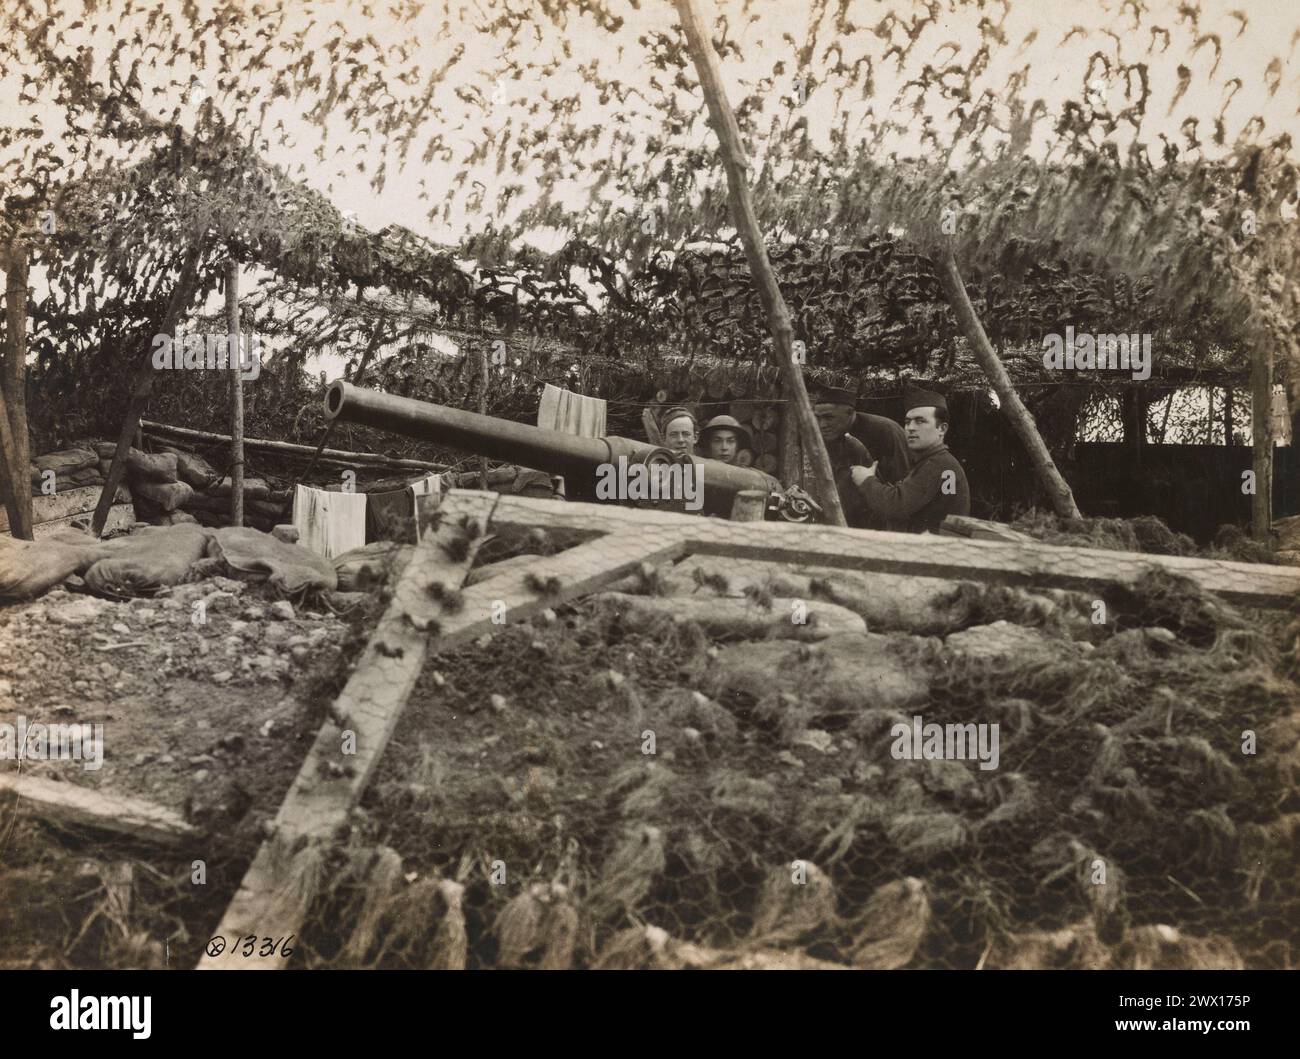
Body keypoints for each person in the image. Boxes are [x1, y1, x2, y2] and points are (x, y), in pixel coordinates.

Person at [849, 387, 970, 533]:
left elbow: (895, 506)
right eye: (907, 422)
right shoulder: (936, 462)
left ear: (942, 429)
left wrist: (866, 480)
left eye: (920, 421)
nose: (910, 428)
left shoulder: (938, 464)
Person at [812, 386, 874, 528]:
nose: (822, 425)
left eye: (829, 417)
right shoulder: (832, 438)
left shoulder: (862, 441)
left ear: (849, 413)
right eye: (818, 418)